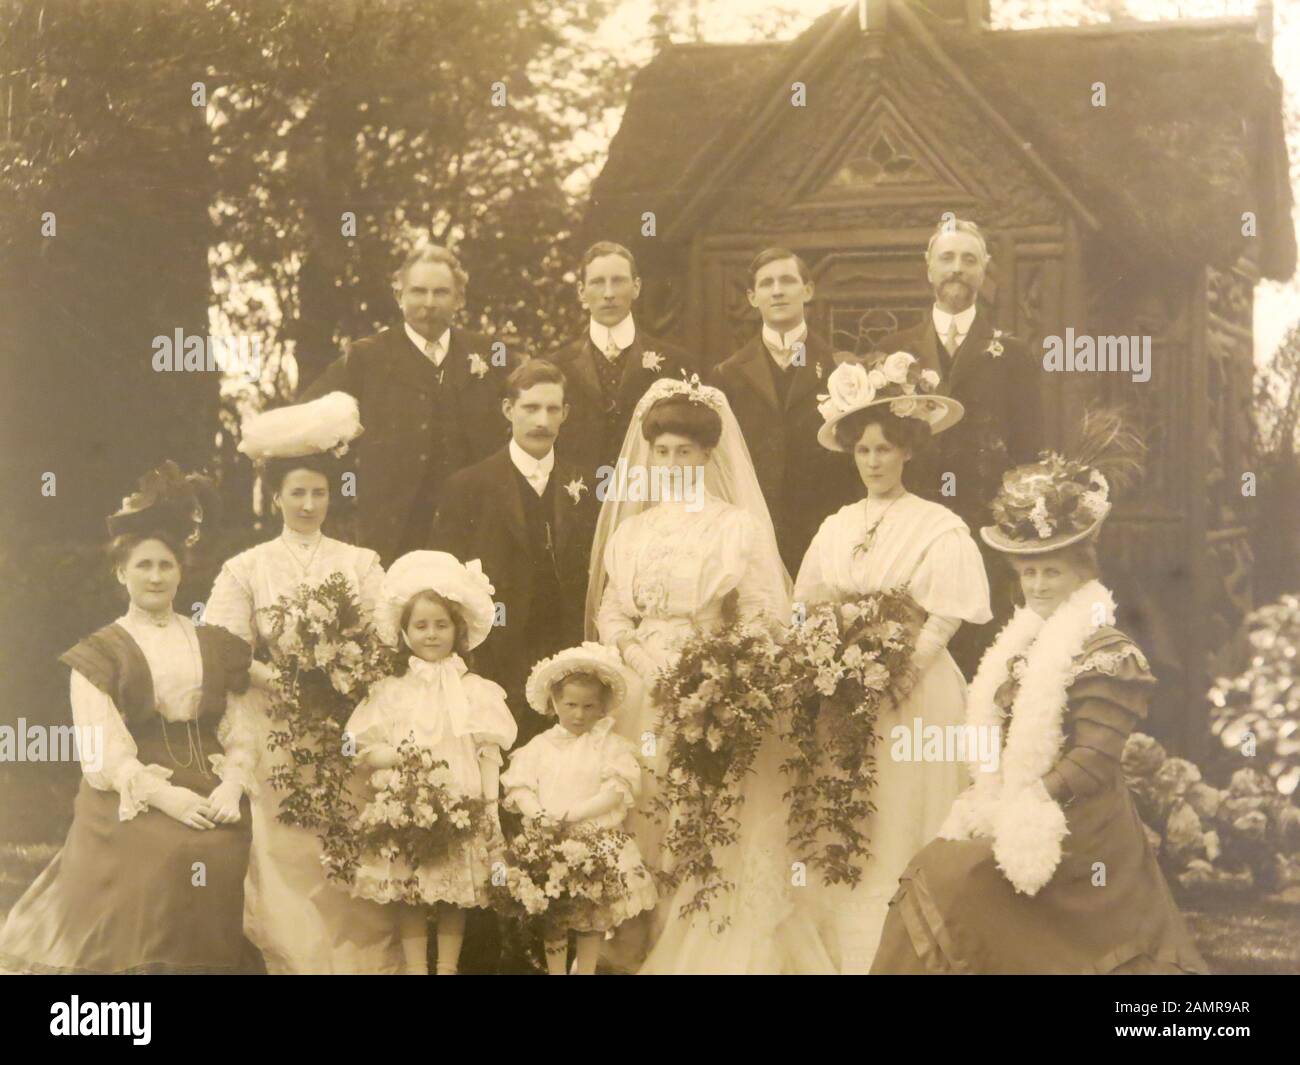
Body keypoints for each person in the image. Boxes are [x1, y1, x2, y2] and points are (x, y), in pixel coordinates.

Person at [871, 427, 1209, 975]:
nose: (1040, 585)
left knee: (950, 876)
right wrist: (998, 795)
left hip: (1081, 827)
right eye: (1029, 574)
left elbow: (1094, 762)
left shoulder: (1107, 649)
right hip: (1019, 802)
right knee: (931, 869)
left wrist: (1024, 799)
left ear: (1082, 574)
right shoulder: (1021, 643)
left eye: (1053, 571)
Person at [590, 376, 828, 974]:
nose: (673, 464)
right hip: (640, 686)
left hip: (708, 687)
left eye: (686, 453)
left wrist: (717, 671)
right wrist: (641, 658)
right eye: (663, 452)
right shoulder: (631, 532)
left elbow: (760, 613)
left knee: (697, 808)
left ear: (706, 456)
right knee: (639, 801)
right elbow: (612, 609)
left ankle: (691, 933)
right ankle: (629, 939)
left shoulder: (734, 528)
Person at [0, 463, 260, 974]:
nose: (156, 576)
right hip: (129, 790)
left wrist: (232, 786)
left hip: (208, 780)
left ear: (181, 571)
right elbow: (103, 753)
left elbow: (237, 727)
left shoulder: (210, 642)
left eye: (166, 565)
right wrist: (165, 795)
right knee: (173, 852)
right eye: (143, 566)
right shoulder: (102, 652)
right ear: (121, 572)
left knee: (224, 846)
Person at [793, 356, 991, 973]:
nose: (873, 461)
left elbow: (946, 614)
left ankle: (916, 950)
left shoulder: (937, 525)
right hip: (846, 694)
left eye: (884, 449)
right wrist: (828, 665)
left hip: (915, 691)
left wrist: (900, 674)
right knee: (854, 816)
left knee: (907, 812)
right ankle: (850, 954)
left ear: (906, 453)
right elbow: (808, 606)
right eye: (863, 451)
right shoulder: (836, 525)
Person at [203, 392, 403, 974]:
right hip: (275, 717)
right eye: (297, 493)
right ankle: (294, 955)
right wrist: (279, 679)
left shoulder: (360, 562)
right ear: (276, 497)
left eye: (318, 492)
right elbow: (223, 644)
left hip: (345, 715)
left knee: (347, 830)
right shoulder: (248, 566)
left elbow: (384, 636)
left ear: (332, 495)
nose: (309, 504)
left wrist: (344, 672)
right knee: (288, 840)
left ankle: (359, 957)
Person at [872, 219, 1044, 675]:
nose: (957, 269)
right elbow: (878, 447)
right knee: (909, 655)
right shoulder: (894, 352)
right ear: (928, 269)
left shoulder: (1014, 354)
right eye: (946, 258)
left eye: (969, 260)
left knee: (978, 656)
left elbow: (1030, 451)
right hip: (911, 528)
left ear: (984, 271)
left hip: (983, 530)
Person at [348, 551, 517, 975]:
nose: (431, 634)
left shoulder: (474, 689)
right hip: (406, 802)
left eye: (441, 625)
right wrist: (397, 759)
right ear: (404, 633)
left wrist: (490, 807)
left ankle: (446, 968)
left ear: (457, 630)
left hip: (460, 799)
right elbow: (361, 748)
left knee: (451, 889)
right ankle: (414, 968)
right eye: (420, 625)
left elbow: (488, 751)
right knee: (411, 887)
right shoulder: (390, 691)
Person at [299, 244, 512, 564]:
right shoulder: (367, 356)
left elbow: (524, 418)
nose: (428, 303)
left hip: (474, 526)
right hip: (392, 531)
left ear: (459, 299)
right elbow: (310, 420)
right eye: (418, 291)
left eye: (441, 292)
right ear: (400, 296)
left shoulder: (489, 354)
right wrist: (344, 496)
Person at [430, 359, 598, 747]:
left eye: (552, 409)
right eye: (530, 408)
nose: (542, 420)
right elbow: (445, 582)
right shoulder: (468, 486)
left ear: (565, 414)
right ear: (508, 410)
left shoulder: (587, 484)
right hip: (497, 656)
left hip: (569, 652)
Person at [499, 643, 657, 975]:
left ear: (602, 708)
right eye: (570, 705)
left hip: (595, 842)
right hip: (550, 842)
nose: (579, 714)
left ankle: (584, 971)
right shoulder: (540, 747)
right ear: (554, 703)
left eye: (589, 706)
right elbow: (521, 787)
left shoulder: (611, 747)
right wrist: (539, 814)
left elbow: (616, 790)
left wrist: (574, 814)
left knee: (591, 917)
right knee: (555, 914)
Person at [710, 247, 859, 572]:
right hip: (754, 532)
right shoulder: (727, 374)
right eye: (766, 283)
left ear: (807, 291)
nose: (777, 290)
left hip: (826, 528)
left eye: (787, 281)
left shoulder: (842, 370)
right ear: (752, 297)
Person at [540, 242, 694, 483]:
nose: (609, 293)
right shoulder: (554, 367)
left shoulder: (676, 363)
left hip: (651, 499)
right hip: (578, 507)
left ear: (636, 287)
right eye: (598, 282)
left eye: (619, 281)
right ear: (581, 291)